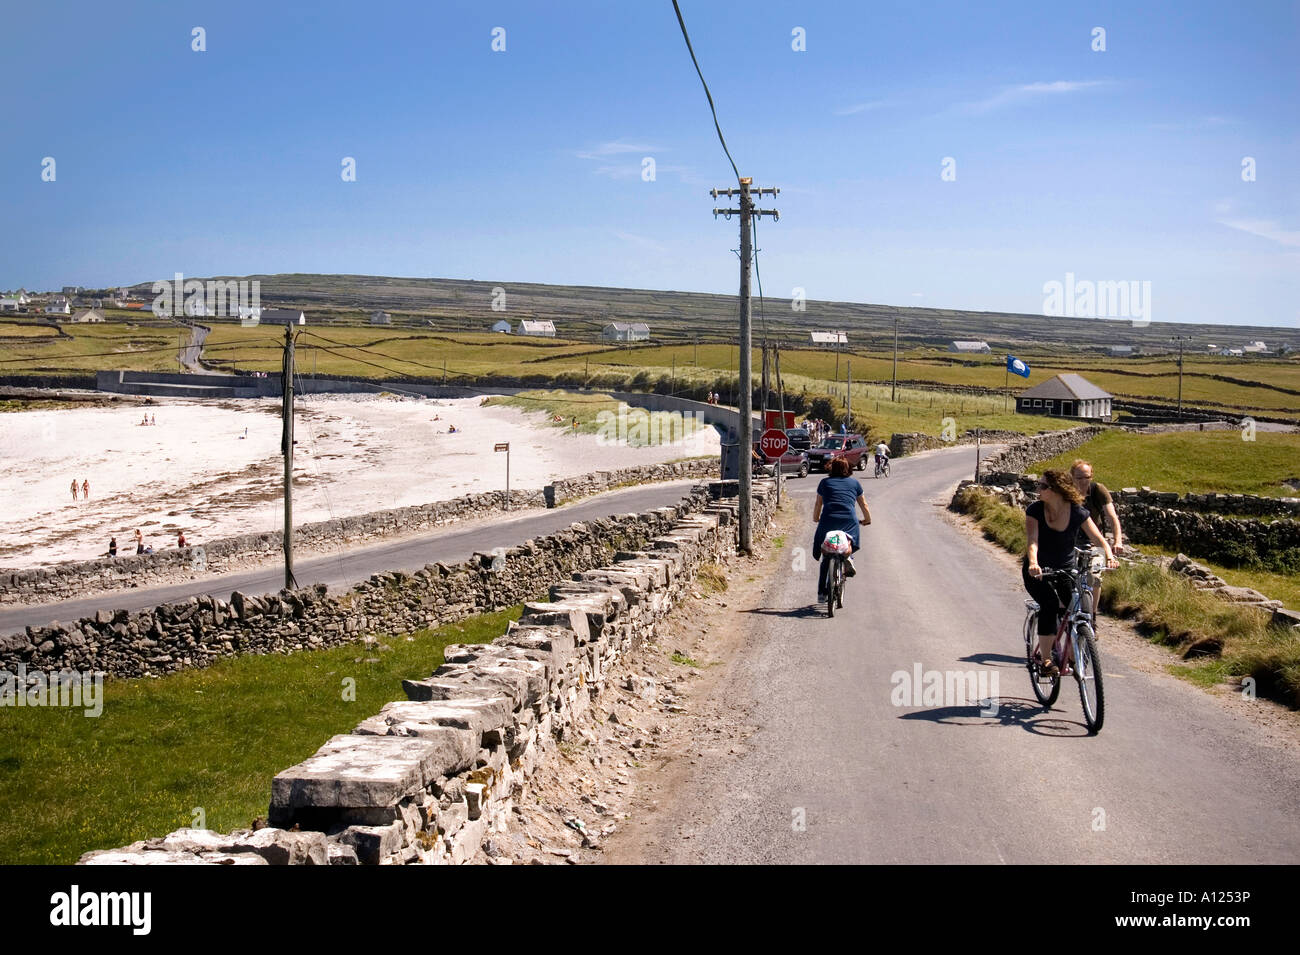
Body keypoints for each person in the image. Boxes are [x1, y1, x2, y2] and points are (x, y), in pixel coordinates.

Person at [1024, 469, 1118, 676]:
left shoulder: (1077, 511)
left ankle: (1075, 654)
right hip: (1038, 571)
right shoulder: (1035, 510)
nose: (1038, 489)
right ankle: (1047, 660)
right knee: (1049, 604)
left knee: (1080, 607)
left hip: (1065, 569)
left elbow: (1098, 539)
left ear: (1057, 490)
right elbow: (1033, 541)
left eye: (1043, 486)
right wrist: (1033, 563)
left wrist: (1109, 556)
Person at [812, 456, 871, 600]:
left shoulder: (824, 482)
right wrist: (867, 520)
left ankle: (821, 593)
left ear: (831, 468)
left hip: (828, 519)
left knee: (826, 555)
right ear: (848, 469)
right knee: (849, 540)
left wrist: (816, 518)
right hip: (848, 520)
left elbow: (818, 504)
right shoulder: (855, 483)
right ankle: (848, 557)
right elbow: (863, 505)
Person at [1070, 459, 1124, 555]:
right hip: (1069, 539)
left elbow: (1112, 517)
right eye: (1079, 478)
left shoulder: (1098, 490)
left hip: (1094, 539)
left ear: (1091, 477)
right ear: (1072, 477)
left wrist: (1118, 542)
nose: (1083, 481)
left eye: (1086, 477)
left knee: (1101, 566)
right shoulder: (1064, 493)